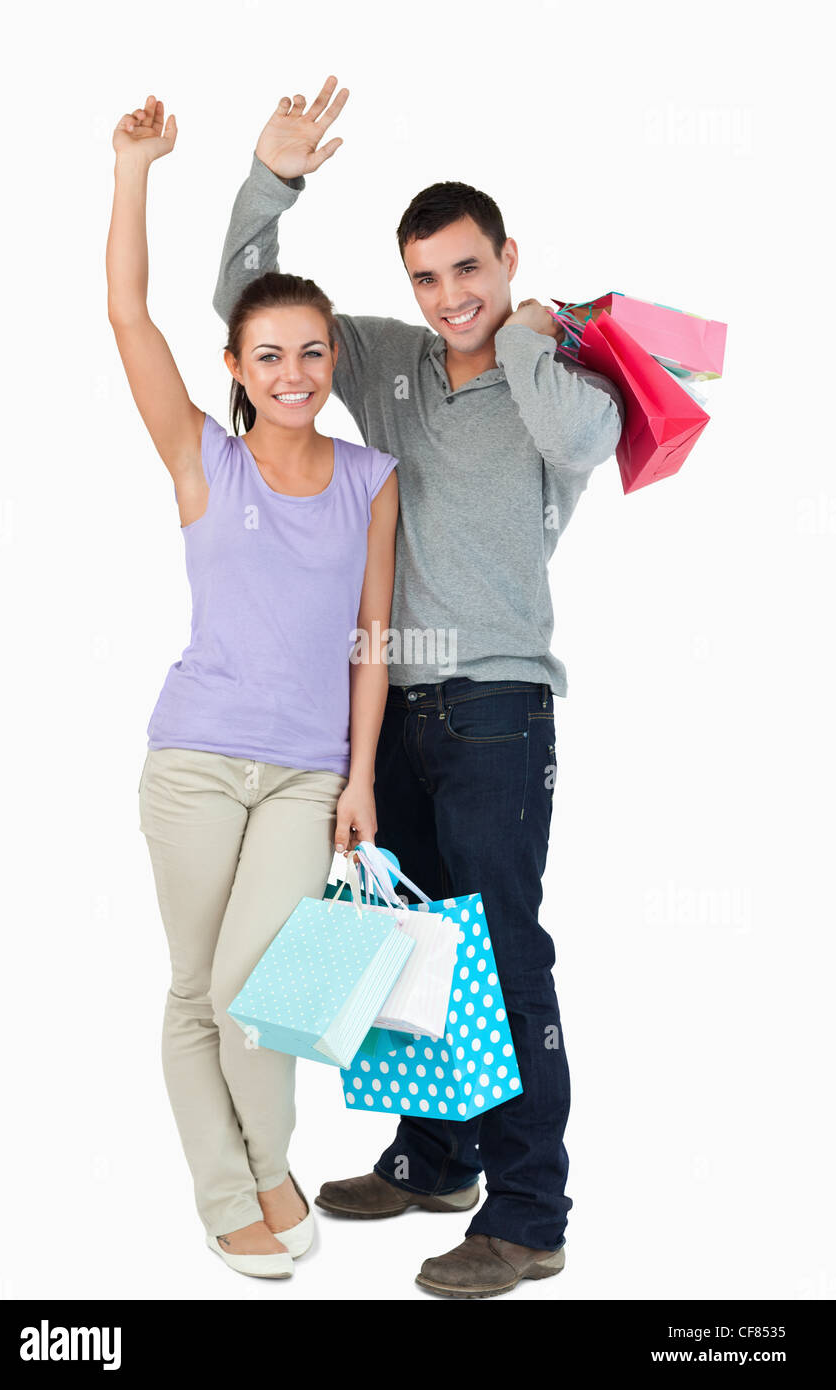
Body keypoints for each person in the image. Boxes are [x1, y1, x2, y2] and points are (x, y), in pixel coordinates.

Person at [213, 76, 625, 1299]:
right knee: (410, 950)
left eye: (467, 271)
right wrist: (269, 181)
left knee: (500, 957)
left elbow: (586, 446)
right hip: (396, 700)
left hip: (498, 705)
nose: (448, 298)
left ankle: (529, 1213)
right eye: (427, 280)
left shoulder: (557, 379)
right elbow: (246, 311)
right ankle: (434, 1159)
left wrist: (527, 330)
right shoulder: (388, 365)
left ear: (506, 259)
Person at [106, 93, 399, 1281]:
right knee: (194, 991)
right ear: (235, 365)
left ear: (335, 359)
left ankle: (268, 1166)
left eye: (311, 352)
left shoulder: (369, 477)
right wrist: (133, 170)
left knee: (251, 990)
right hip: (189, 760)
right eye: (267, 354)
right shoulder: (200, 458)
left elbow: (371, 639)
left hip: (303, 773)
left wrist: (360, 776)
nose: (292, 372)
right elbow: (125, 311)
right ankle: (238, 1190)